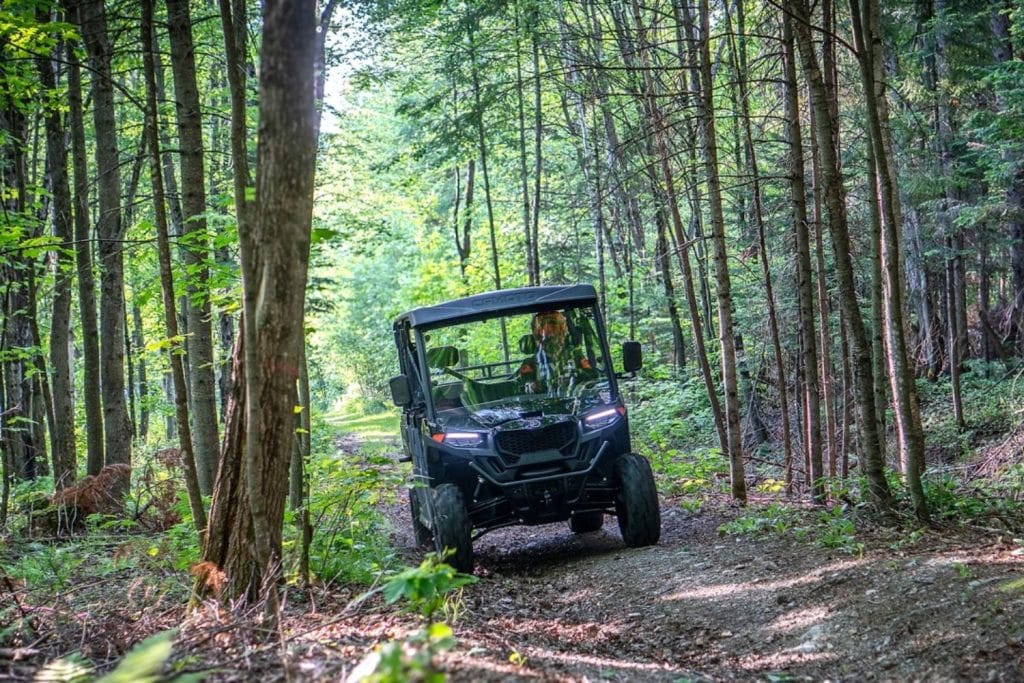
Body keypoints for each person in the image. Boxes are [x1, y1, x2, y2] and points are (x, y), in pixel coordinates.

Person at [517, 310, 596, 395]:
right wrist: (534, 386)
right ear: (538, 333)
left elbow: (593, 377)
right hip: (544, 405)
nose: (551, 334)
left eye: (555, 328)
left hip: (574, 402)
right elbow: (522, 386)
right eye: (545, 330)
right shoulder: (530, 363)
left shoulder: (576, 355)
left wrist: (577, 374)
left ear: (562, 331)